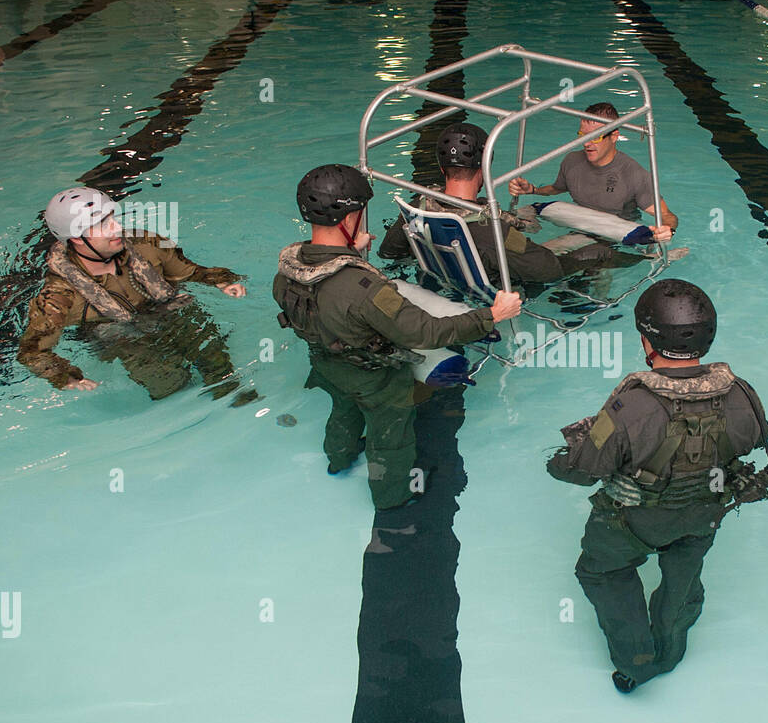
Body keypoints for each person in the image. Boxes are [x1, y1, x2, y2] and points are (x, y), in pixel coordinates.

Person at [547, 279, 768, 692]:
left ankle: (636, 663)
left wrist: (556, 460)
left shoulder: (628, 407)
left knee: (604, 572)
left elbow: (582, 469)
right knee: (683, 577)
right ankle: (671, 652)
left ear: (646, 339)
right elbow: (754, 440)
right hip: (705, 513)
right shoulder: (743, 393)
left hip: (633, 519)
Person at [273, 163, 522, 508]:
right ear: (349, 218)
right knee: (390, 438)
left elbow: (326, 298)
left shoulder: (289, 270)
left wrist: (351, 254)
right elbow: (427, 332)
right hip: (375, 380)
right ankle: (392, 498)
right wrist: (491, 315)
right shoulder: (364, 290)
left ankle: (339, 460)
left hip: (327, 364)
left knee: (343, 410)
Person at [18, 185, 253, 402]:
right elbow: (32, 351)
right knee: (171, 390)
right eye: (102, 224)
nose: (116, 227)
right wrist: (65, 376)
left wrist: (220, 281)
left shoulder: (146, 244)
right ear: (78, 239)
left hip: (169, 314)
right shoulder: (59, 295)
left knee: (218, 366)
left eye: (112, 218)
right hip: (125, 338)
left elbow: (188, 270)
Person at [379, 121, 666, 282]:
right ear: (485, 167)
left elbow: (388, 253)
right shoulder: (495, 230)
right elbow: (546, 270)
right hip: (494, 287)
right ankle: (654, 260)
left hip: (445, 275)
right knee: (597, 252)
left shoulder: (416, 209)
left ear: (442, 169)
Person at [508, 101, 678, 260]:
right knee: (520, 217)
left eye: (595, 137)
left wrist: (667, 230)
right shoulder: (572, 161)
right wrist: (532, 190)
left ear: (614, 136)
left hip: (615, 234)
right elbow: (557, 187)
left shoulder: (633, 173)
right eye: (582, 136)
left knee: (544, 255)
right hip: (580, 224)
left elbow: (666, 215)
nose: (587, 143)